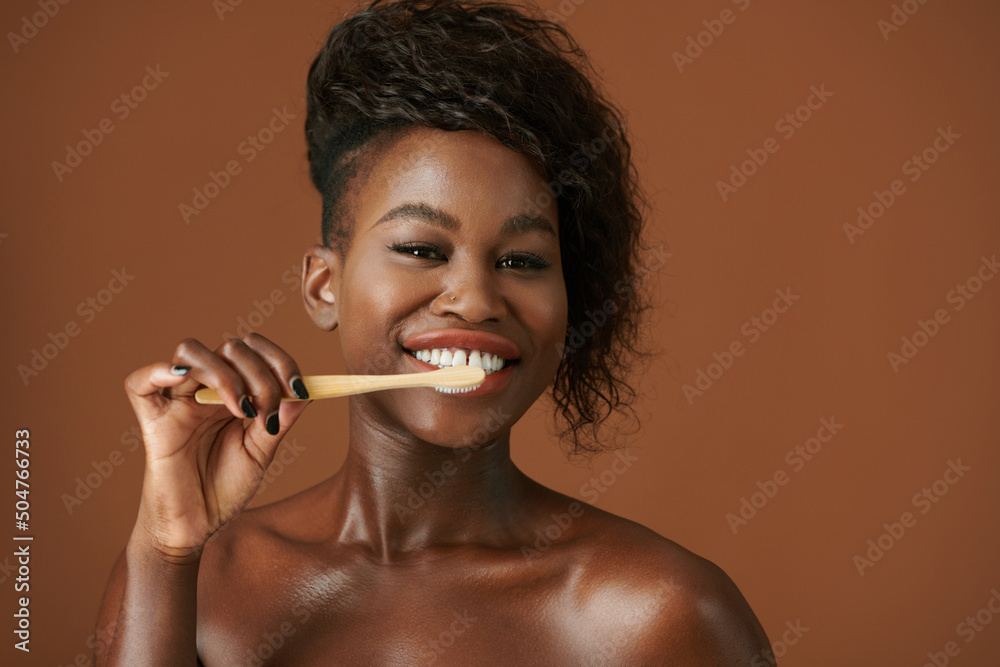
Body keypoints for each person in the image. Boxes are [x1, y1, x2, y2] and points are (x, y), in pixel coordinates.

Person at [94, 0, 772, 664]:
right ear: (323, 286)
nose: (476, 299)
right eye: (422, 249)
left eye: (522, 261)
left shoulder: (662, 613)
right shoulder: (198, 583)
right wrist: (165, 548)